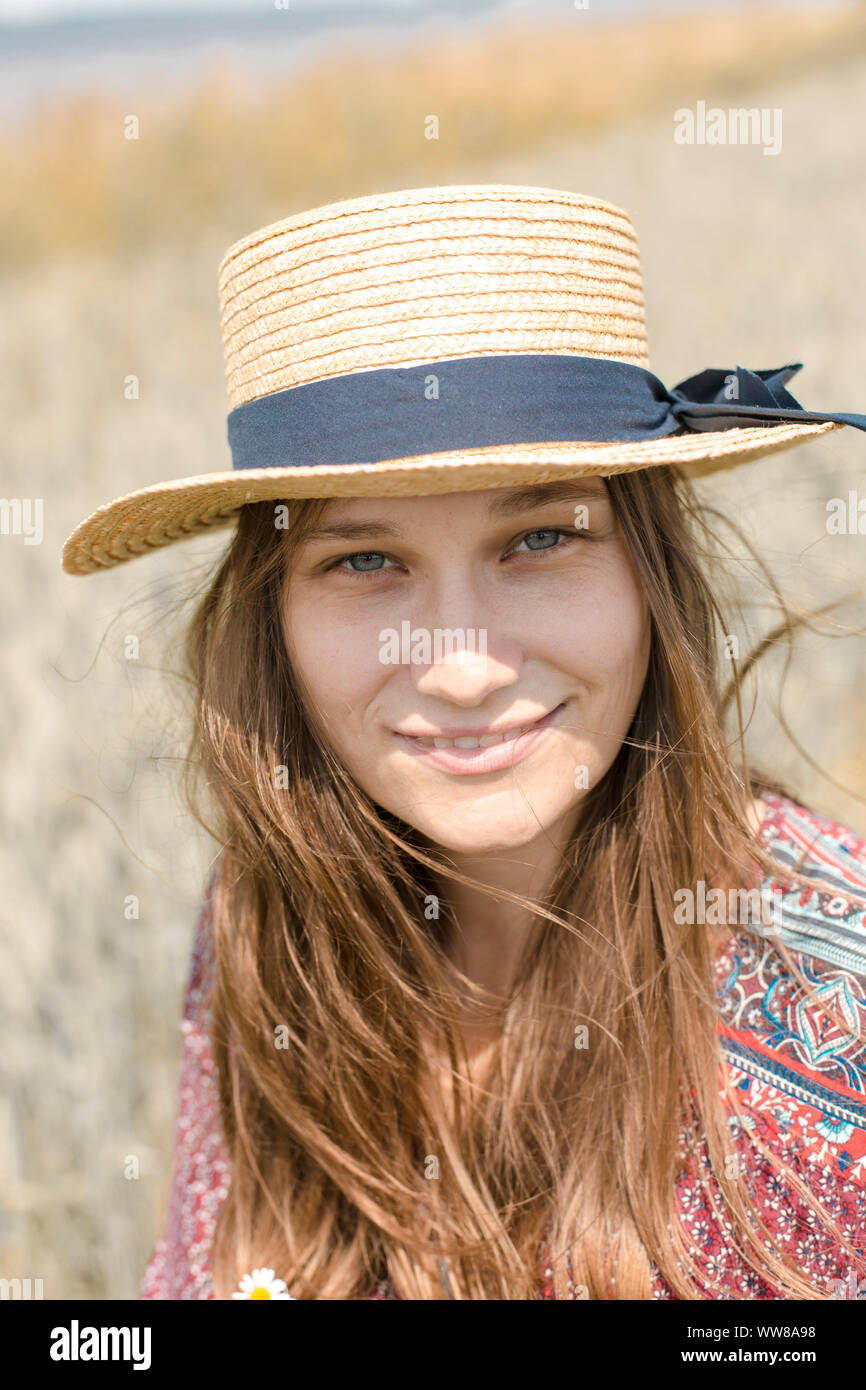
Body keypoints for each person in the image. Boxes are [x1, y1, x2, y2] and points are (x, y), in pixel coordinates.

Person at [61, 184, 866, 1300]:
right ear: (272, 616)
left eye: (538, 537)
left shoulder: (839, 1021)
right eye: (365, 561)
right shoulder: (265, 932)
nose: (463, 666)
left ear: (649, 573)